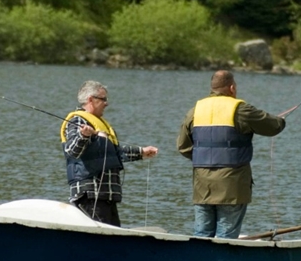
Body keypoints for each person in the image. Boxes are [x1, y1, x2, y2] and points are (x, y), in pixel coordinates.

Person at [177, 70, 286, 238]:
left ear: (212, 88)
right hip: (232, 185)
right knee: (226, 235)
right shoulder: (241, 109)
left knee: (201, 234)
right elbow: (274, 126)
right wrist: (281, 120)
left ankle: (200, 256)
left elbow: (183, 146)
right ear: (232, 88)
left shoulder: (195, 111)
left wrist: (207, 156)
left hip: (202, 184)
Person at [60, 80, 158, 226]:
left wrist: (141, 152)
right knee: (99, 237)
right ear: (90, 99)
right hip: (90, 194)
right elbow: (72, 151)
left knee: (113, 235)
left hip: (106, 195)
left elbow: (114, 153)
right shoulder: (78, 120)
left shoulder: (100, 123)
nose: (107, 103)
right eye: (103, 99)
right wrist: (83, 136)